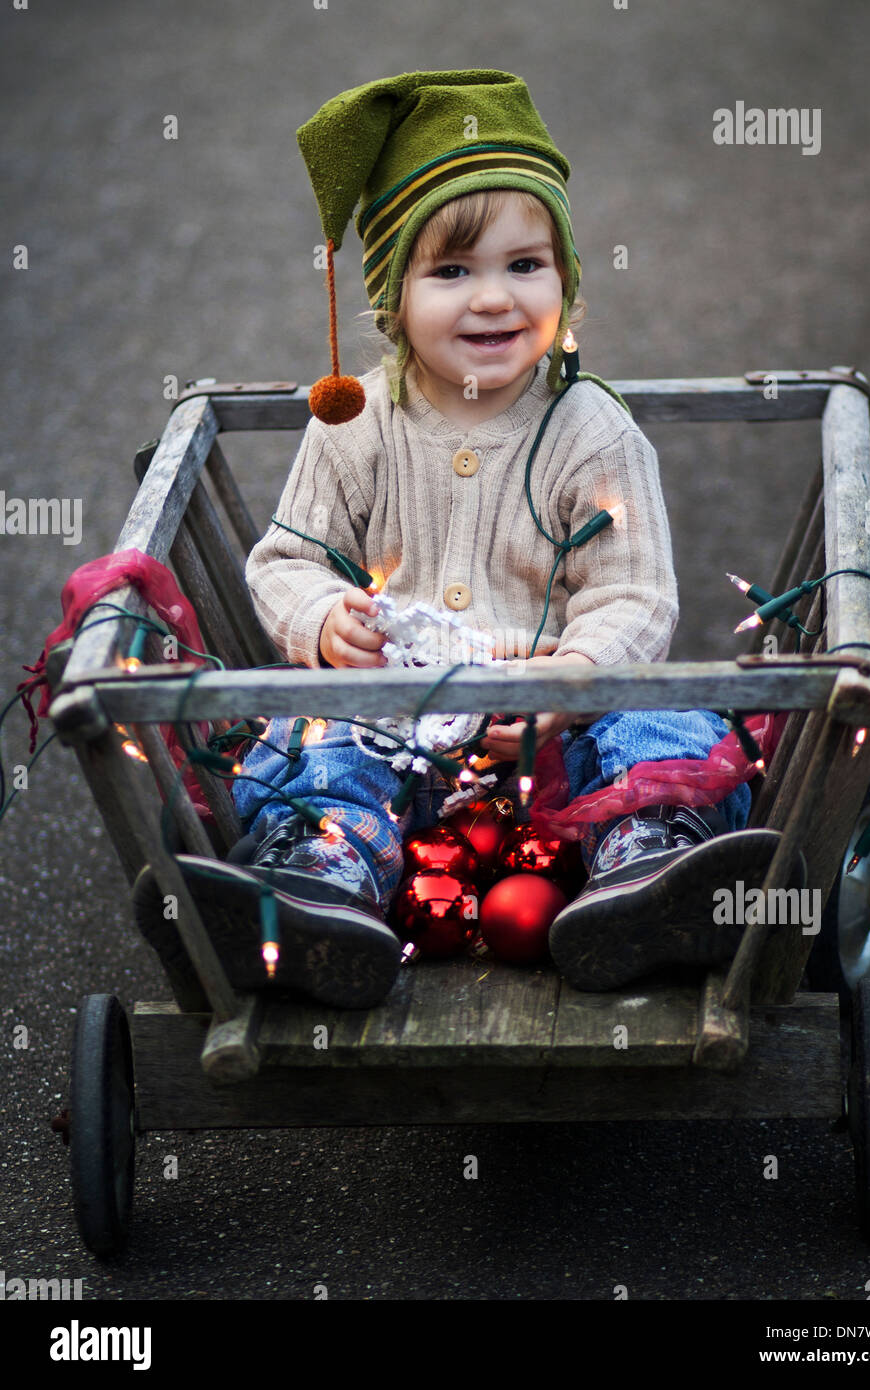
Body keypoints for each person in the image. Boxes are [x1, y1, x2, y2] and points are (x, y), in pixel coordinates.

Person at [155, 70, 801, 1008]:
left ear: (566, 283)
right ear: (392, 298)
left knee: (667, 722)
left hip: (555, 739)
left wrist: (572, 677)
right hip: (397, 723)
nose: (493, 299)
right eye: (451, 272)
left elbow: (636, 594)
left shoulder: (594, 431)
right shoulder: (358, 424)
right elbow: (285, 559)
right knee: (311, 746)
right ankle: (323, 887)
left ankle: (645, 871)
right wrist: (328, 620)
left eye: (525, 265)